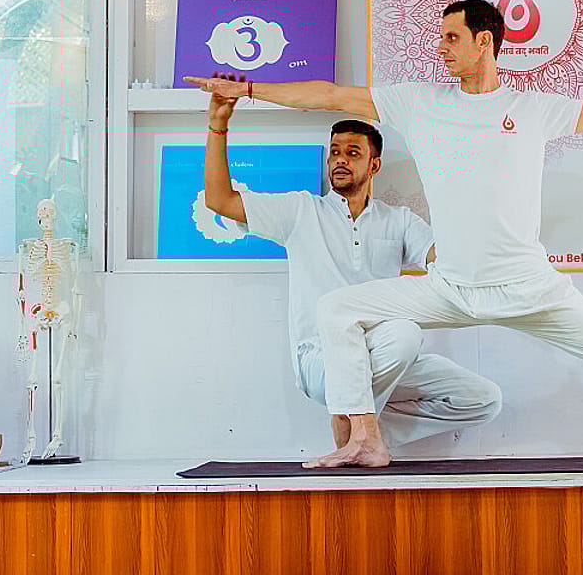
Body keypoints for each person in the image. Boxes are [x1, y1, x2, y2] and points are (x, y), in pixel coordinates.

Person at [187, 0, 583, 468]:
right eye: (440, 38)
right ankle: (364, 437)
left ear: (485, 42)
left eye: (451, 38)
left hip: (529, 287)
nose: (441, 49)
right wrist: (248, 88)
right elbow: (333, 97)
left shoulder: (534, 108)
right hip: (451, 286)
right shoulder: (418, 104)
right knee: (338, 307)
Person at [202, 75, 502, 454]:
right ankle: (355, 421)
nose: (340, 160)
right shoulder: (301, 210)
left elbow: (443, 260)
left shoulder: (399, 220)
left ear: (374, 165)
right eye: (335, 152)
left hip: (384, 354)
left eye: (353, 153)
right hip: (322, 360)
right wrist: (218, 125)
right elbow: (219, 200)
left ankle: (359, 427)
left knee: (482, 398)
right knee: (406, 333)